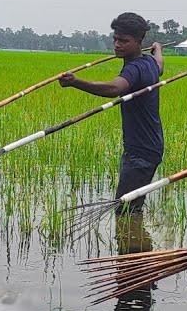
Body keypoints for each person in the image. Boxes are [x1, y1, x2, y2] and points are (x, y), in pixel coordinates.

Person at [59, 12, 164, 216]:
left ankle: (134, 245)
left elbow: (114, 88)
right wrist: (158, 49)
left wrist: (75, 82)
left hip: (140, 153)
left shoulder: (134, 69)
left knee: (125, 212)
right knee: (131, 207)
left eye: (124, 41)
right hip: (149, 147)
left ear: (138, 42)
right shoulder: (150, 64)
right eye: (115, 39)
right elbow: (160, 65)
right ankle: (137, 243)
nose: (117, 45)